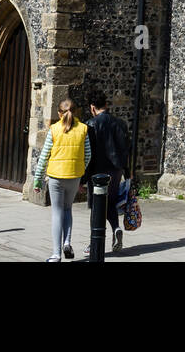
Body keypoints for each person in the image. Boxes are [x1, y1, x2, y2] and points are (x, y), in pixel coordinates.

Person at [32, 99, 91, 262]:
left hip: (56, 176)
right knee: (67, 209)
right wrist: (80, 173)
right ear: (76, 112)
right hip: (74, 176)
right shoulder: (83, 129)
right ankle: (67, 242)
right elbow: (88, 155)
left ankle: (56, 254)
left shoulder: (54, 130)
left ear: (59, 113)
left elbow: (44, 157)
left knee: (57, 213)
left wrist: (37, 180)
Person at [84, 91, 129, 255]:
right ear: (106, 105)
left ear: (92, 107)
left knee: (97, 207)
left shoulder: (90, 124)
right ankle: (116, 228)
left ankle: (93, 244)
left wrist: (83, 178)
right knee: (110, 203)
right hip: (116, 170)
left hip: (97, 172)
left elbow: (88, 153)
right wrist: (128, 173)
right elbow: (126, 150)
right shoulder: (120, 123)